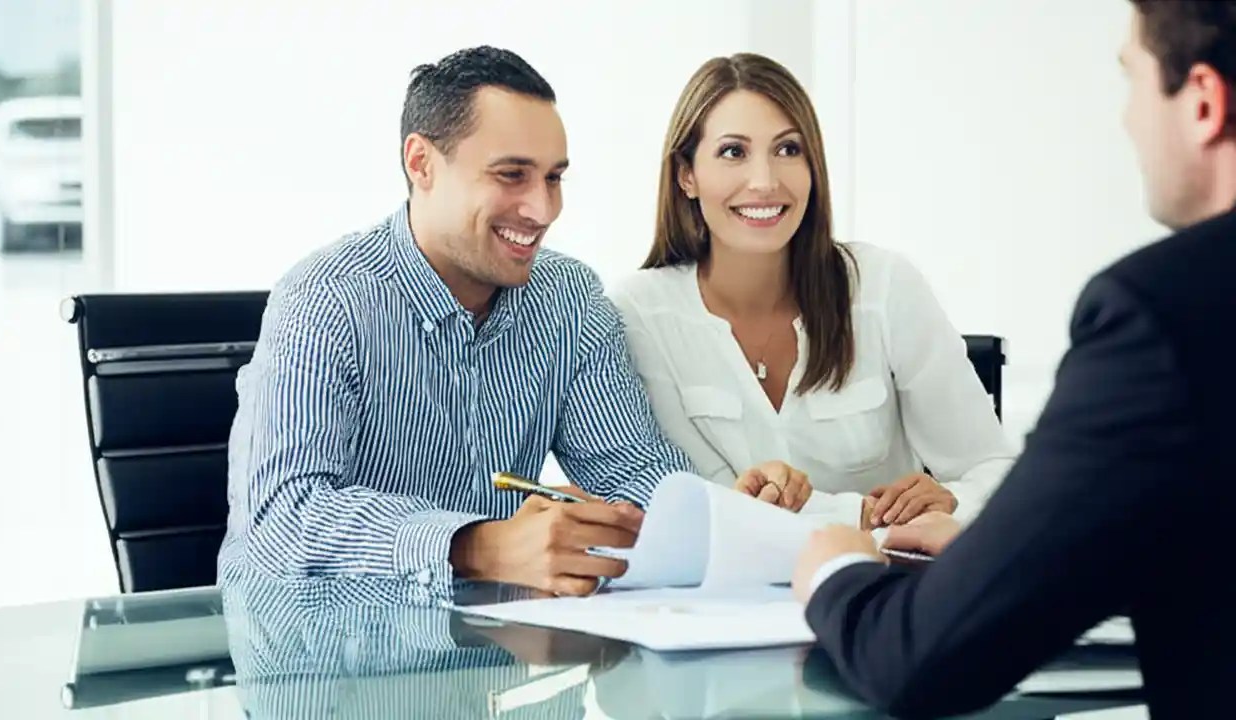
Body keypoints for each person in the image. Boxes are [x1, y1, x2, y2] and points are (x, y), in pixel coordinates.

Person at [219, 46, 803, 604]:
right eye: (511, 175)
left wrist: (717, 512)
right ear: (421, 163)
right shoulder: (325, 298)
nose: (543, 210)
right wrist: (474, 544)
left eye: (553, 178)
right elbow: (281, 518)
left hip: (493, 658)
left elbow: (627, 468)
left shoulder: (567, 297)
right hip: (320, 672)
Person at [792, 2, 1236, 716]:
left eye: (1134, 81)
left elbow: (918, 660)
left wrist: (836, 569)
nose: (1127, 121)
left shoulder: (1158, 313)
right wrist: (996, 553)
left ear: (1205, 103)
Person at [610, 53, 1016, 530]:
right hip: (728, 600)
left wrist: (951, 501)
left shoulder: (884, 286)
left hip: (883, 587)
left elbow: (994, 472)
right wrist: (861, 514)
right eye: (733, 152)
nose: (764, 181)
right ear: (686, 175)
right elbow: (708, 504)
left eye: (788, 150)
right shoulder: (639, 312)